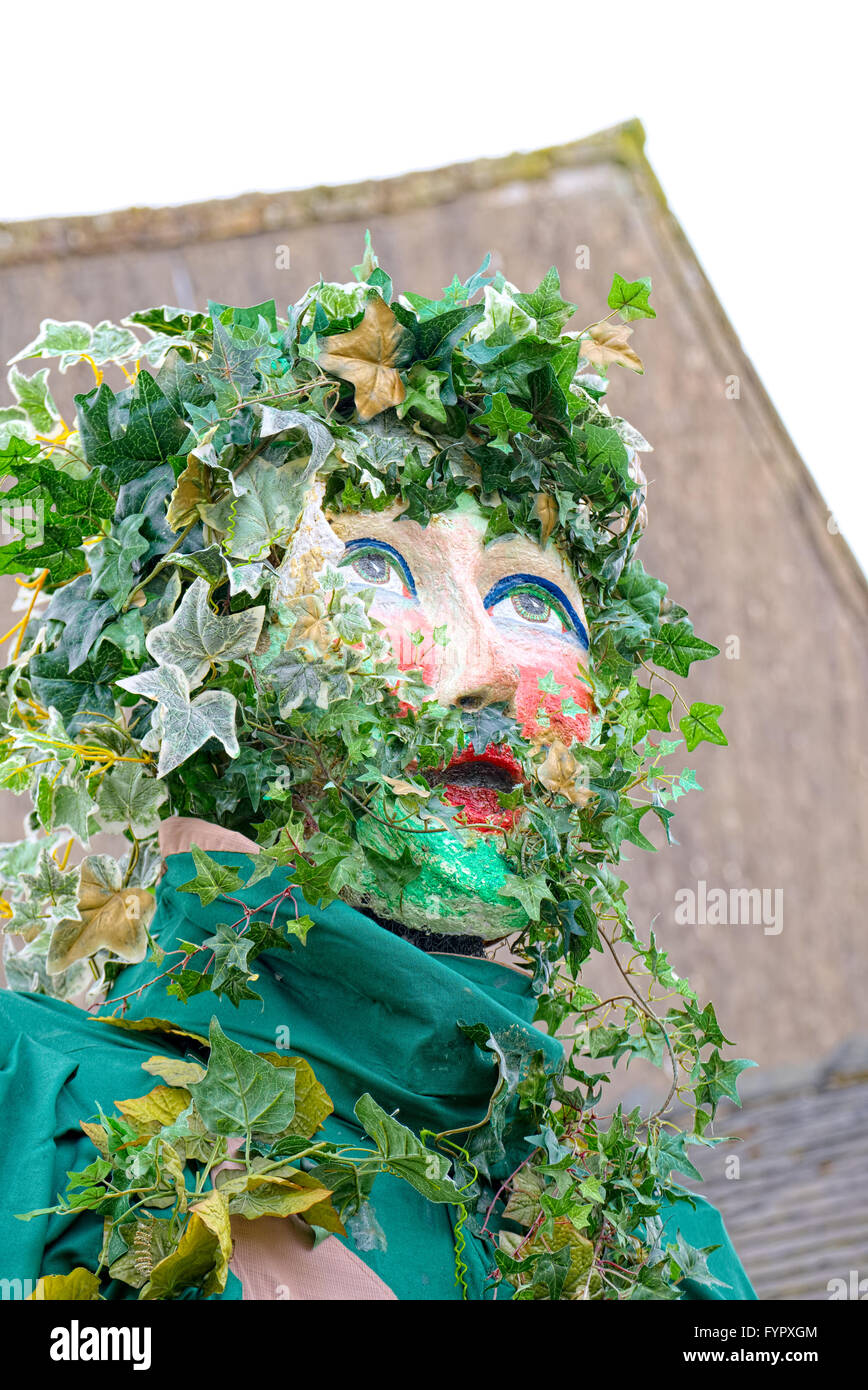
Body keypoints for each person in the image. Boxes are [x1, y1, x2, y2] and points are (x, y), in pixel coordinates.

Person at [0, 259, 756, 1300]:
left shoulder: (660, 1252)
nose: (486, 667)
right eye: (373, 569)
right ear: (200, 658)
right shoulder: (35, 1106)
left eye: (533, 599)